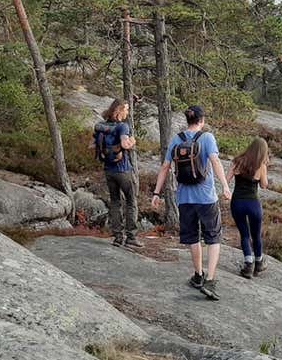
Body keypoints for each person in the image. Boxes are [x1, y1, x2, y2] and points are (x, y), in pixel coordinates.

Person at [151, 105, 231, 301]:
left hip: (184, 198)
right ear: (201, 120)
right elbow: (215, 162)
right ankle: (210, 281)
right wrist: (225, 186)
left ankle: (198, 275)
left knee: (193, 237)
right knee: (213, 237)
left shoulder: (176, 139)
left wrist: (156, 192)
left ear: (187, 120)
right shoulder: (207, 138)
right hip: (206, 197)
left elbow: (164, 167)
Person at [92, 99, 142, 248]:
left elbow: (92, 145)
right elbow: (126, 144)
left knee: (115, 202)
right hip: (123, 170)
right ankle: (131, 236)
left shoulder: (102, 126)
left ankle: (117, 237)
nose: (127, 112)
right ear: (119, 110)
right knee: (131, 202)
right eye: (126, 109)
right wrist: (132, 141)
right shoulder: (122, 126)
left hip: (108, 170)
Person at [226, 137, 269, 279]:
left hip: (237, 202)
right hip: (253, 204)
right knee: (256, 235)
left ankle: (248, 265)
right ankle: (259, 263)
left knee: (244, 234)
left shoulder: (237, 161)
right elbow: (264, 185)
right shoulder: (261, 165)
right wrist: (263, 168)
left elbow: (226, 180)